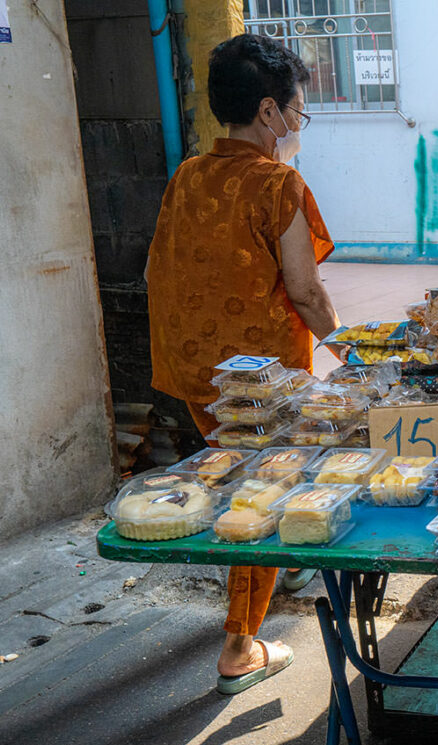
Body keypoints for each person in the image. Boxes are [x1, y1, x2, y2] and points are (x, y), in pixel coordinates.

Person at [146, 34, 342, 694]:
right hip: (260, 382)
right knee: (260, 489)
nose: (295, 126)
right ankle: (238, 645)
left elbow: (161, 269)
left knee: (238, 477)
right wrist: (351, 346)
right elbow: (306, 289)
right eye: (296, 112)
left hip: (197, 371)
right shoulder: (277, 183)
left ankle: (260, 590)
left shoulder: (187, 176)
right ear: (267, 111)